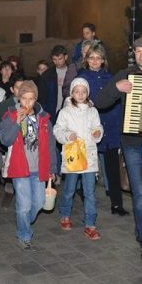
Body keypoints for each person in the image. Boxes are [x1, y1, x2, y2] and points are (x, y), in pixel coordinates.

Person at [95, 36, 142, 259]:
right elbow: (100, 101)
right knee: (141, 193)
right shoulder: (124, 75)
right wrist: (116, 88)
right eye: (138, 51)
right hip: (132, 143)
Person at [0, 80, 57, 251]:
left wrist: (52, 168)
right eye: (24, 98)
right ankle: (24, 234)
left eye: (31, 99)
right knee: (24, 205)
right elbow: (5, 140)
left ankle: (23, 221)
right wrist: (17, 122)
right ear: (19, 98)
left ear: (35, 99)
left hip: (39, 168)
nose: (27, 103)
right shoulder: (9, 116)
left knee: (38, 203)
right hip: (20, 168)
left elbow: (51, 145)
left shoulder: (43, 118)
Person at [78, 42, 127, 216]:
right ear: (86, 59)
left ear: (103, 60)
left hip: (110, 127)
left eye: (98, 58)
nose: (94, 61)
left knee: (113, 168)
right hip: (90, 127)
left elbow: (118, 102)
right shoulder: (82, 78)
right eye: (91, 58)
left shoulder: (110, 78)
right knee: (87, 167)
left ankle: (117, 204)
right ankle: (86, 200)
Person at [54, 77, 104, 240]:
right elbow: (57, 130)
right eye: (77, 91)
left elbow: (98, 127)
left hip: (89, 157)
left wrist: (97, 133)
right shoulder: (65, 112)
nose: (80, 94)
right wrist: (67, 135)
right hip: (73, 157)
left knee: (89, 192)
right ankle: (65, 214)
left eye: (83, 91)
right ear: (72, 93)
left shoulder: (93, 111)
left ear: (87, 93)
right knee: (69, 189)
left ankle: (90, 224)